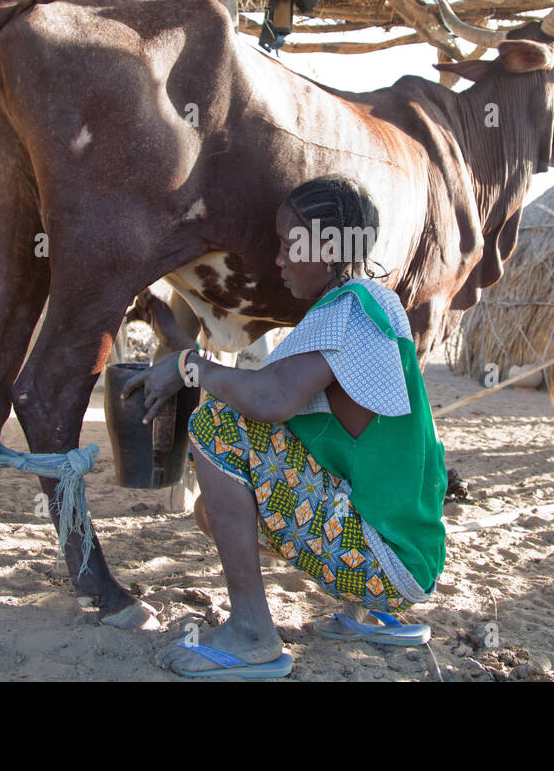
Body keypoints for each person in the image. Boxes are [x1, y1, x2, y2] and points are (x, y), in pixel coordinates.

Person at [123, 176, 447, 679]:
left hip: (384, 563)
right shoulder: (371, 306)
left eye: (288, 242)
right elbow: (266, 385)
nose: (277, 259)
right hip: (404, 565)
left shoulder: (348, 313)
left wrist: (192, 369)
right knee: (214, 510)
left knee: (218, 423)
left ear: (331, 246)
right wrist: (178, 342)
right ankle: (372, 617)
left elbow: (268, 399)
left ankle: (253, 633)